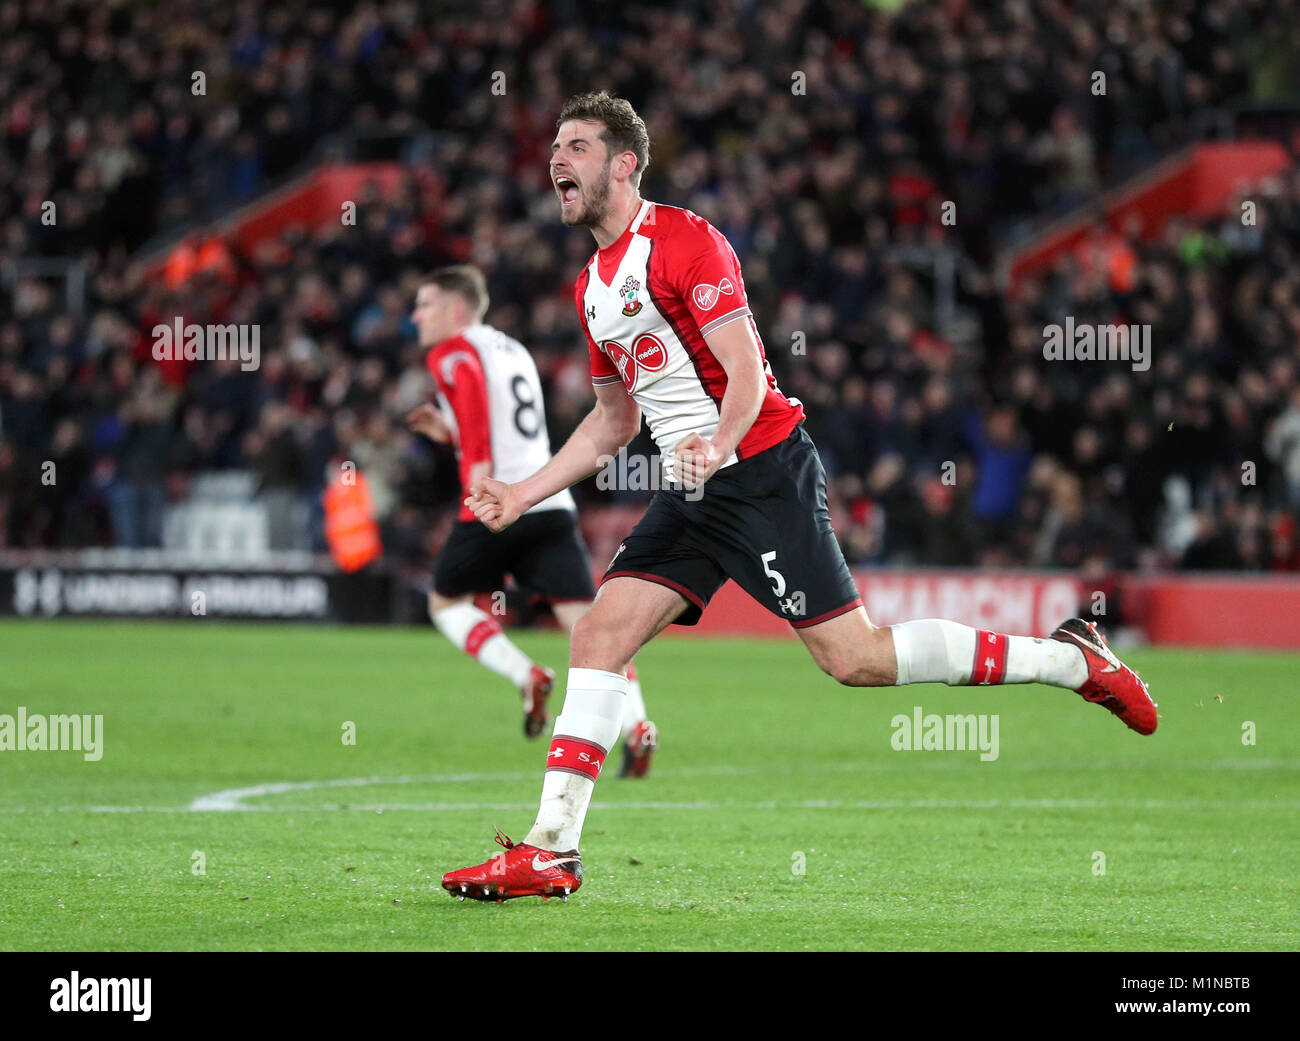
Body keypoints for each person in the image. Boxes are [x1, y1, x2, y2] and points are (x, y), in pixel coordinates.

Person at [442, 92, 1155, 903]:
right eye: (555, 148)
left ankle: (1070, 659)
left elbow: (744, 369)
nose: (556, 162)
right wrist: (522, 492)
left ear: (624, 163)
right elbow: (612, 423)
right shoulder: (590, 289)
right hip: (693, 490)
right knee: (600, 635)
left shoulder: (684, 241)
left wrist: (718, 442)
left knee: (857, 660)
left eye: (576, 147)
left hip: (762, 468)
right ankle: (551, 849)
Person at [407, 264, 657, 774]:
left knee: (445, 602)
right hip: (550, 501)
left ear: (456, 309)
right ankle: (637, 725)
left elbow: (480, 413)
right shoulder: (513, 348)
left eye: (426, 304)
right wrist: (451, 432)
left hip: (498, 499)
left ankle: (527, 675)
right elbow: (508, 424)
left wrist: (475, 475)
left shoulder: (451, 351)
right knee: (591, 627)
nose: (416, 316)